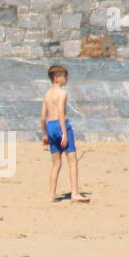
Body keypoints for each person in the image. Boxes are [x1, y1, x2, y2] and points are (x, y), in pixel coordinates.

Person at [41, 64, 88, 203]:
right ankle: (74, 193)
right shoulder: (62, 93)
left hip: (50, 126)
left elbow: (43, 116)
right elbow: (61, 112)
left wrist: (44, 135)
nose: (66, 78)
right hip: (61, 125)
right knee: (72, 160)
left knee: (56, 164)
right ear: (56, 78)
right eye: (64, 76)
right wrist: (64, 133)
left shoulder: (47, 94)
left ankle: (51, 194)